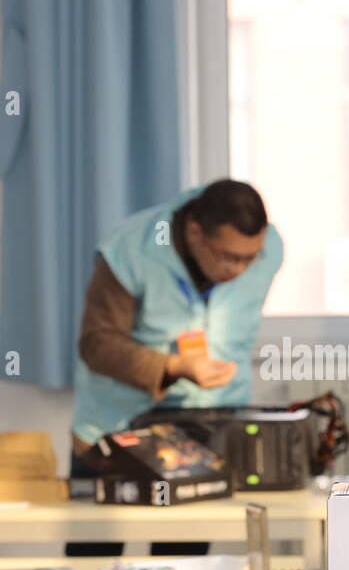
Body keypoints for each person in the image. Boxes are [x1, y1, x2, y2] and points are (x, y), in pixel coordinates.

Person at [71, 179, 283, 474]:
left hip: (218, 429)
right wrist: (173, 366)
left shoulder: (270, 249)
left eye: (249, 258)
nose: (238, 270)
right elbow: (97, 344)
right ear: (195, 232)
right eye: (228, 257)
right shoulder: (130, 249)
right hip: (121, 434)